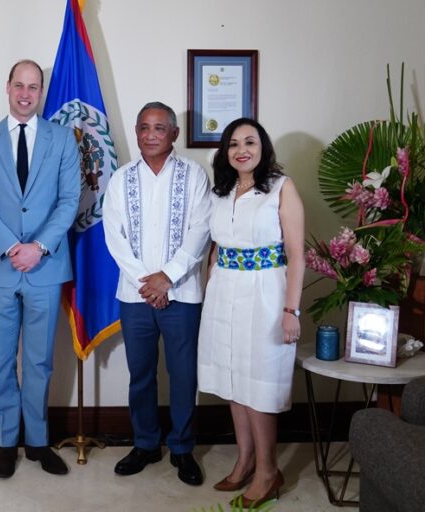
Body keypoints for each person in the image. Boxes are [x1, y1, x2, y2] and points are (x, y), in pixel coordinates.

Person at [0, 59, 80, 478]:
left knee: (38, 362)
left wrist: (39, 247)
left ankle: (37, 442)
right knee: (0, 361)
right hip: (0, 268)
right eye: (20, 85)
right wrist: (14, 246)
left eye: (34, 87)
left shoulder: (63, 139)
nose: (26, 94)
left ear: (41, 90)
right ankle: (5, 443)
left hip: (45, 268)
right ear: (7, 86)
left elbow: (70, 200)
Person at [197, 118, 305, 508]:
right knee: (233, 378)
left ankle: (267, 472)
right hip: (225, 290)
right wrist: (211, 279)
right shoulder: (221, 192)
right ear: (225, 152)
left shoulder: (281, 188)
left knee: (258, 382)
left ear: (263, 147)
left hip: (266, 292)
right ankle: (243, 461)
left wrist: (291, 310)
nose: (242, 149)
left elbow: (296, 254)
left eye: (250, 142)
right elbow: (215, 244)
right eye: (234, 144)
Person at [103, 102, 211, 486]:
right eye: (144, 127)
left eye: (159, 128)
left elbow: (201, 230)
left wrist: (167, 278)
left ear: (175, 134)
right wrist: (147, 284)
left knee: (182, 375)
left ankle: (182, 448)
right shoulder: (121, 179)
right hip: (135, 297)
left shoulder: (195, 175)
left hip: (182, 294)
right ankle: (146, 443)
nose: (150, 135)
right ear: (136, 132)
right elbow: (113, 237)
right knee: (141, 374)